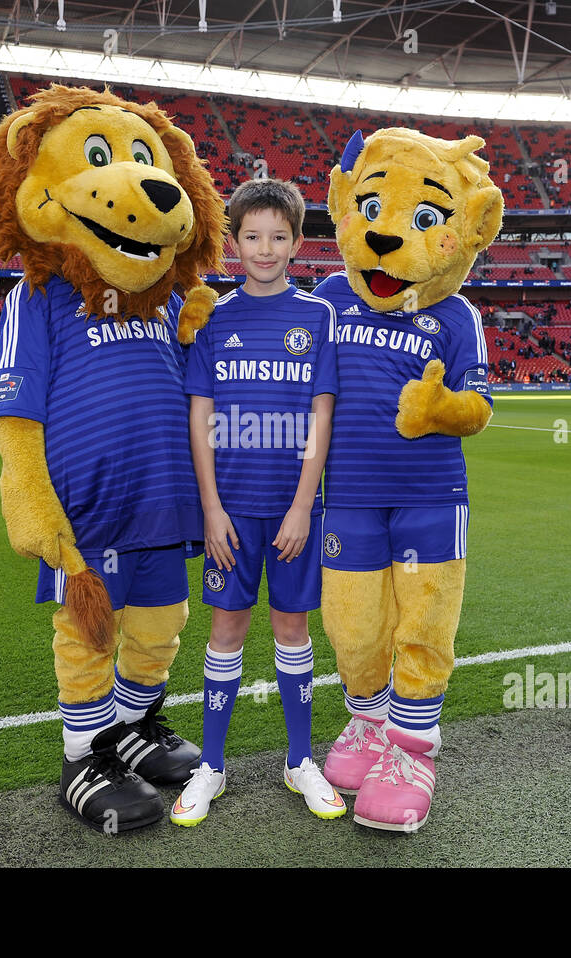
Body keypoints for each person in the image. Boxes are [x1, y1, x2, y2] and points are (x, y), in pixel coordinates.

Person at [172, 178, 343, 826]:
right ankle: (211, 766)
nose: (265, 248)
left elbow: (320, 418)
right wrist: (211, 509)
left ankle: (300, 760)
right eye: (252, 236)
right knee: (225, 629)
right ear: (233, 242)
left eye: (278, 237)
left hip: (294, 509)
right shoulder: (212, 315)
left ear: (297, 243)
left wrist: (304, 505)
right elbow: (201, 417)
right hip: (232, 511)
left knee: (293, 629)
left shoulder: (316, 316)